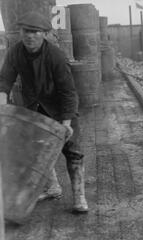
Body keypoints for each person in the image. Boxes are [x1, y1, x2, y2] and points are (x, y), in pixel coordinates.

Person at [0, 12, 88, 214]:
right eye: (26, 31)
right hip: (34, 107)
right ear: (21, 32)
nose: (30, 36)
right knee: (36, 149)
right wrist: (2, 105)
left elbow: (68, 92)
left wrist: (66, 123)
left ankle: (79, 196)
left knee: (73, 151)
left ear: (44, 34)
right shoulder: (15, 52)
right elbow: (4, 80)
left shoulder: (56, 56)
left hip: (61, 108)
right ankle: (53, 188)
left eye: (35, 32)